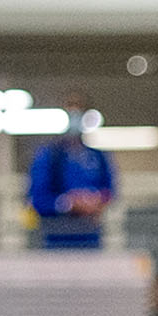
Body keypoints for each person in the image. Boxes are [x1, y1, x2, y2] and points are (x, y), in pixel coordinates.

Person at [26, 94, 114, 249]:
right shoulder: (49, 157)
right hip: (56, 241)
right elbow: (37, 199)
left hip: (90, 239)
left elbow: (110, 191)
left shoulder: (98, 157)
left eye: (79, 112)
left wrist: (95, 202)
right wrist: (68, 203)